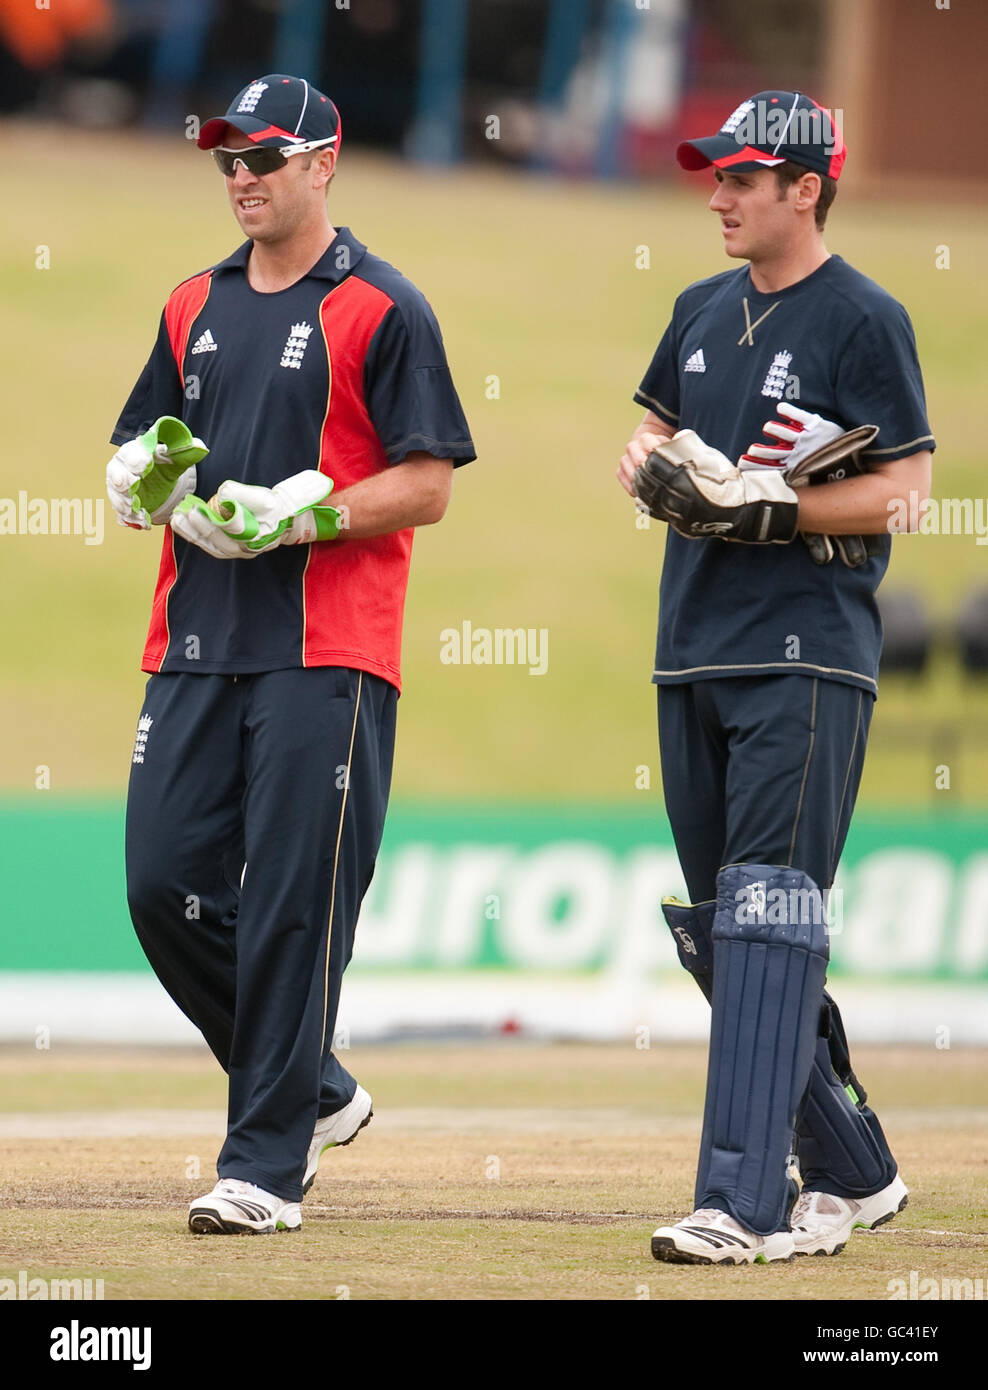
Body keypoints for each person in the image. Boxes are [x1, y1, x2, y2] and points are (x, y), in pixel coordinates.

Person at [106, 74, 476, 1234]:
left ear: (324, 162)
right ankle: (310, 1087)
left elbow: (426, 484)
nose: (241, 176)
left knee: (290, 911)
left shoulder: (381, 306)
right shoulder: (190, 302)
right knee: (159, 883)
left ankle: (264, 1167)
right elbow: (142, 446)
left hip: (330, 651)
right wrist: (137, 482)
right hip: (195, 640)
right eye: (227, 157)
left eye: (264, 156)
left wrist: (303, 515)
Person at [617, 91, 934, 1265]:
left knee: (764, 918)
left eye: (744, 178)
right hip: (688, 649)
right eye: (715, 175)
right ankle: (854, 1169)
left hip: (806, 659)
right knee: (726, 930)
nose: (719, 193)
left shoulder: (864, 315)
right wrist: (653, 464)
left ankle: (740, 1202)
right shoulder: (698, 310)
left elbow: (906, 488)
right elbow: (648, 435)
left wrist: (774, 502)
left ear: (807, 187)